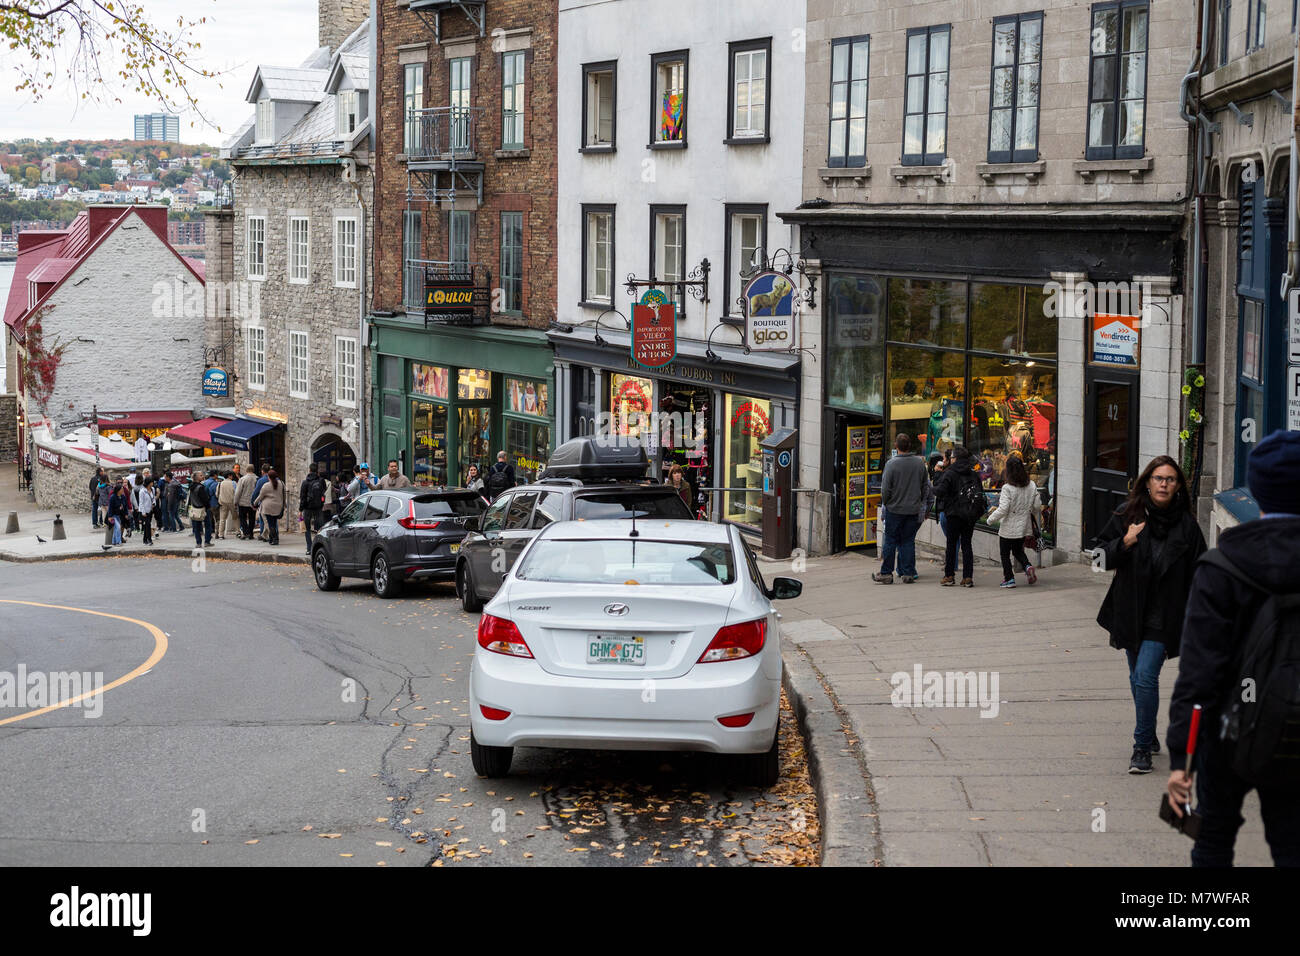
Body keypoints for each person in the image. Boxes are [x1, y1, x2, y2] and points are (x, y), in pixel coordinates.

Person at [1165, 431, 1300, 865]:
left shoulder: (1222, 567)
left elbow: (1198, 674)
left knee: (1214, 837)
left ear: (1256, 490)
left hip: (1230, 729)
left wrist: (1182, 758)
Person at [1095, 454, 1206, 775]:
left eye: (1170, 479)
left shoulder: (1187, 527)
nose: (1164, 484)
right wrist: (1125, 542)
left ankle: (1141, 746)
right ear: (1147, 482)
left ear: (1177, 487)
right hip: (1131, 612)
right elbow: (1098, 559)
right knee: (1137, 678)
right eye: (1159, 478)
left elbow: (1202, 571)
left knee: (1145, 676)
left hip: (1165, 617)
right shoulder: (1128, 515)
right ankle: (1150, 733)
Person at [873, 433, 930, 584]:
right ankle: (908, 572)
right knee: (908, 541)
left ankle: (886, 573)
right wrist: (921, 504)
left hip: (895, 509)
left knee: (890, 541)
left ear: (896, 447)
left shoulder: (891, 464)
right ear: (910, 446)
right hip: (913, 509)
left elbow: (885, 489)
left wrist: (886, 502)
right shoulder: (919, 463)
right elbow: (926, 487)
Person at [931, 445, 984, 588]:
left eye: (953, 457)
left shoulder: (949, 473)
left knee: (951, 544)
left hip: (953, 514)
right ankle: (967, 577)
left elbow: (940, 491)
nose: (951, 459)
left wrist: (932, 484)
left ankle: (949, 576)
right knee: (967, 544)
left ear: (956, 459)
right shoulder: (973, 473)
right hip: (969, 514)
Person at [986, 454, 1042, 589]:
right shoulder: (1032, 485)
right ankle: (1027, 566)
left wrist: (990, 519)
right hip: (1024, 526)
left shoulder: (1007, 488)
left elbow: (1003, 509)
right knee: (1018, 551)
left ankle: (1009, 578)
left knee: (1005, 553)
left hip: (1008, 528)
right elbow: (1037, 506)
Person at [298, 462, 327, 555]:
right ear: (317, 470)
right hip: (318, 507)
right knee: (320, 528)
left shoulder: (305, 482)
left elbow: (302, 497)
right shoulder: (321, 480)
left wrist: (300, 509)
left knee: (307, 528)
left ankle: (309, 548)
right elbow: (324, 490)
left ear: (309, 470)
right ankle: (320, 547)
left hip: (307, 507)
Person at [255, 468, 285, 546]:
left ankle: (275, 539)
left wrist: (254, 502)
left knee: (270, 524)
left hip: (268, 507)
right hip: (278, 507)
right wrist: (284, 505)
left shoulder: (266, 485)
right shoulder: (281, 483)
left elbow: (260, 496)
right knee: (274, 522)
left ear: (269, 477)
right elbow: (284, 494)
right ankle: (272, 539)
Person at [188, 473, 213, 548]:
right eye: (201, 475)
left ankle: (198, 543)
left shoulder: (191, 486)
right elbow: (205, 499)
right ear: (196, 478)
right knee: (208, 525)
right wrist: (208, 506)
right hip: (203, 509)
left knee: (196, 527)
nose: (203, 476)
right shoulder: (200, 487)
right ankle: (207, 541)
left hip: (194, 508)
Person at [235, 466, 258, 539]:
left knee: (242, 518)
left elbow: (238, 492)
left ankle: (245, 532)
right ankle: (251, 534)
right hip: (253, 502)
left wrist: (235, 501)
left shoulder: (242, 479)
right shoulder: (257, 478)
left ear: (246, 470)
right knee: (252, 518)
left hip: (243, 502)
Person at [107, 481, 129, 547]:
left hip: (119, 515)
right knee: (118, 527)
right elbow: (110, 507)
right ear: (118, 490)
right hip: (113, 515)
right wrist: (110, 516)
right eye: (121, 489)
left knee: (116, 528)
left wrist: (126, 514)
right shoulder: (112, 497)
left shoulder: (123, 497)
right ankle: (118, 542)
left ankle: (114, 541)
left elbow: (125, 507)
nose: (123, 490)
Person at [217, 472, 238, 540]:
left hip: (223, 503)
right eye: (232, 475)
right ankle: (238, 532)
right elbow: (236, 492)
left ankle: (221, 535)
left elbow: (217, 493)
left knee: (222, 519)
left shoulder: (220, 483)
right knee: (235, 518)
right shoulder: (233, 483)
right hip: (232, 503)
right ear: (229, 476)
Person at [253, 464, 271, 541]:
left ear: (262, 471)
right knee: (273, 520)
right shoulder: (276, 479)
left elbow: (256, 493)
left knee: (263, 520)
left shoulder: (261, 481)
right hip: (275, 503)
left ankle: (264, 535)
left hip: (264, 503)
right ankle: (274, 534)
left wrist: (253, 502)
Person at [203, 470, 220, 545]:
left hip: (206, 503)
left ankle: (209, 534)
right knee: (217, 519)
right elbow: (216, 493)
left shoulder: (205, 482)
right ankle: (217, 533)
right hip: (214, 502)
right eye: (217, 475)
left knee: (209, 520)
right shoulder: (215, 483)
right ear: (215, 475)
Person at [137, 478, 155, 546]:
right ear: (148, 483)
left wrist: (153, 504)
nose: (152, 483)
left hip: (150, 510)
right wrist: (143, 512)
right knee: (148, 525)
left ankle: (145, 540)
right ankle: (149, 540)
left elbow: (153, 498)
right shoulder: (142, 491)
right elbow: (141, 503)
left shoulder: (152, 489)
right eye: (151, 482)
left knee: (147, 526)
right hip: (144, 511)